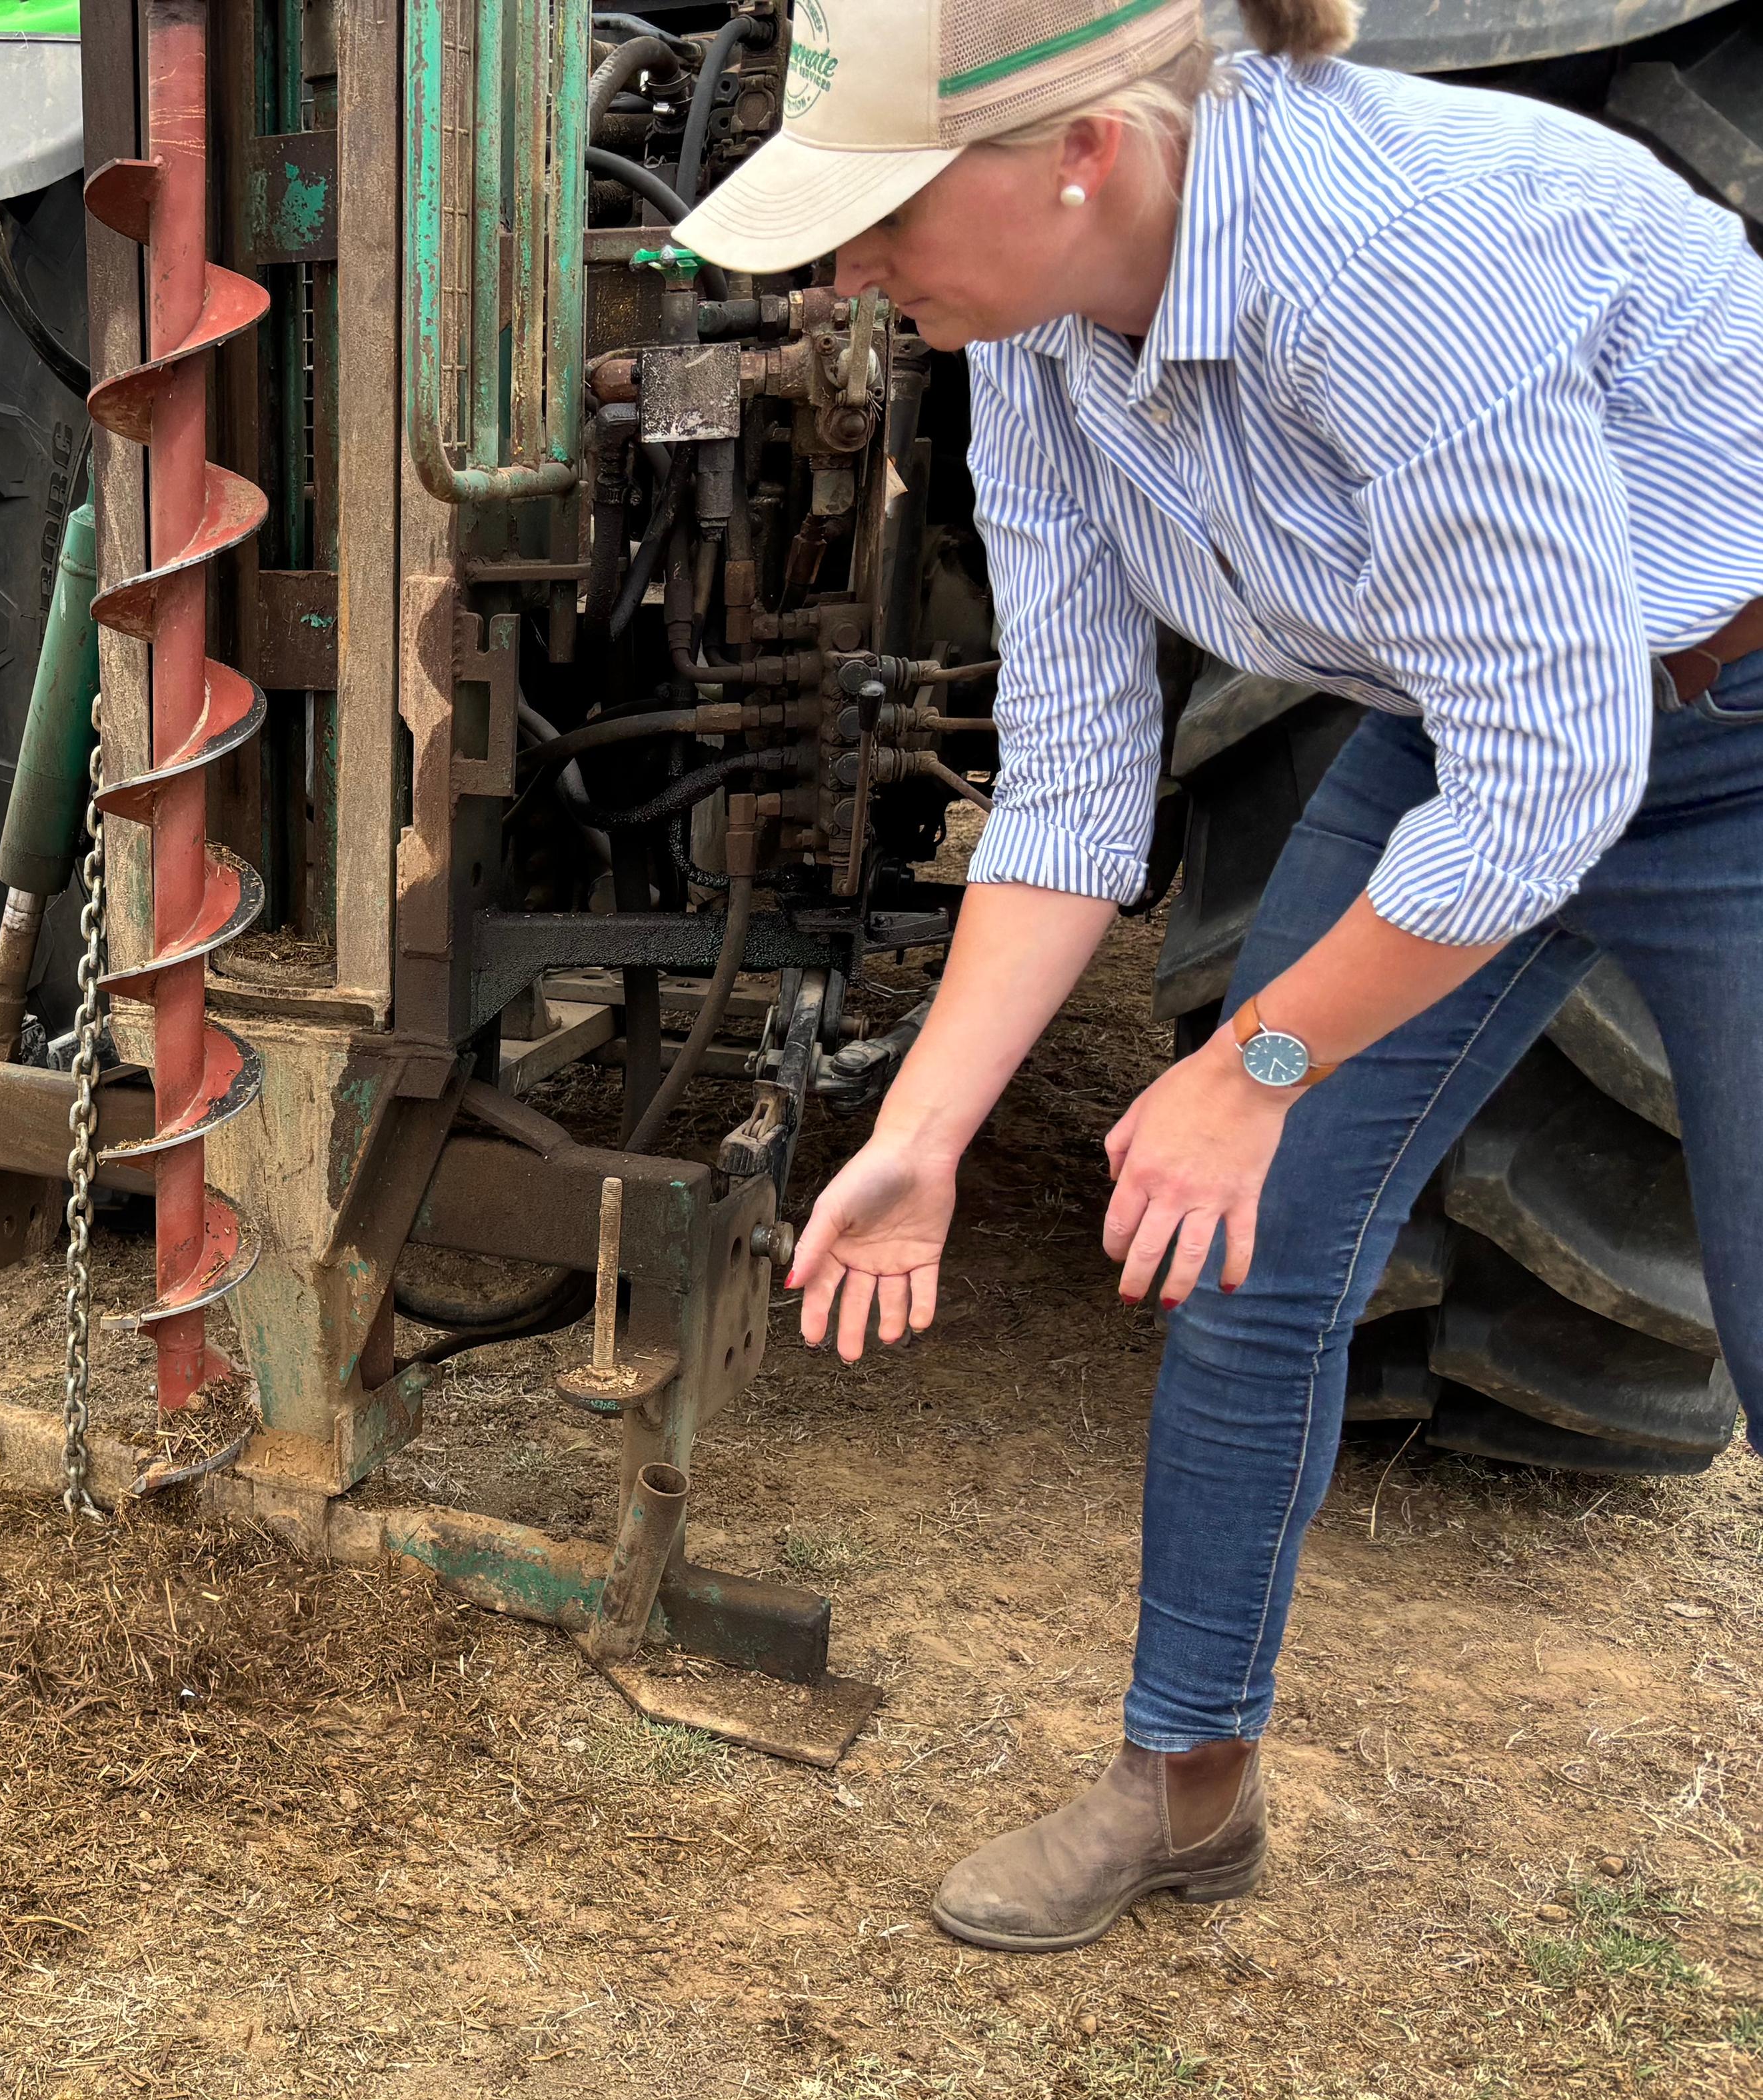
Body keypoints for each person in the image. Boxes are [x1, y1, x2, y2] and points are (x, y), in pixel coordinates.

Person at [676, 0, 1763, 1947]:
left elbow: (1563, 778)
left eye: (888, 213)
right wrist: (925, 1131)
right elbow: (1083, 777)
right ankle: (1185, 1790)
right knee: (1248, 1261)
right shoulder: (1032, 339)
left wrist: (1248, 1065)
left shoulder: (1393, 261)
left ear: (1080, 152)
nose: (854, 271)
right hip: (1473, 725)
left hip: (1734, 737)